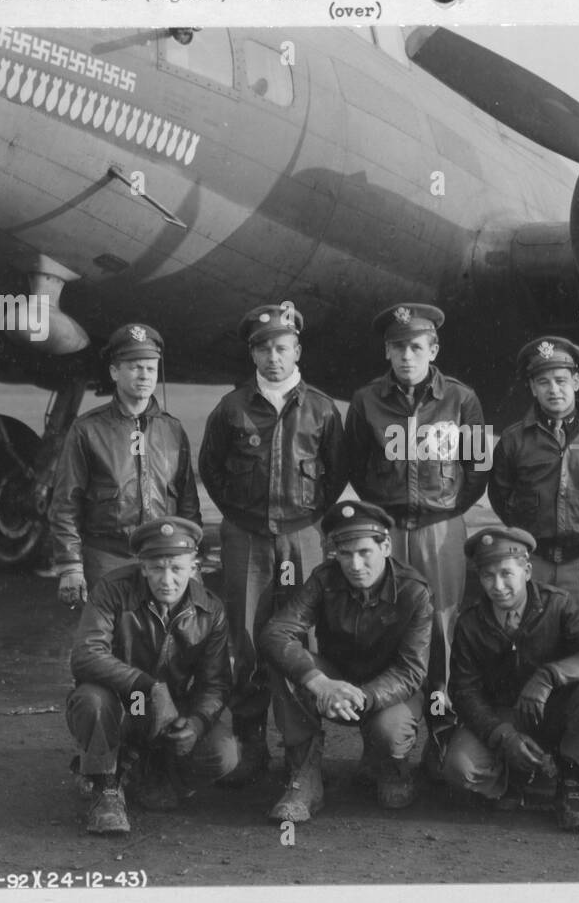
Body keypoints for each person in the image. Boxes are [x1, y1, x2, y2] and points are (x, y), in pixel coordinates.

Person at [198, 303, 347, 785]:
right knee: (243, 637)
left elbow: (336, 472)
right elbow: (212, 469)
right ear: (253, 355)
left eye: (281, 348)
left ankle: (304, 752)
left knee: (299, 638)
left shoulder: (321, 408)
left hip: (302, 535)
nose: (273, 358)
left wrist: (306, 518)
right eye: (263, 349)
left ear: (297, 350)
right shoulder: (232, 407)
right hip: (245, 536)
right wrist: (243, 516)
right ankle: (251, 742)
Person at [344, 303, 489, 773]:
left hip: (439, 530)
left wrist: (446, 510)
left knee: (443, 633)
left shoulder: (462, 399)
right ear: (387, 351)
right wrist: (386, 512)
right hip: (386, 531)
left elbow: (478, 467)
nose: (408, 355)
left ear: (434, 348)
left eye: (416, 346)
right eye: (398, 347)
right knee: (384, 628)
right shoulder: (366, 401)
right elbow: (357, 467)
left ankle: (442, 735)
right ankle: (383, 740)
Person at [258, 501, 432, 822]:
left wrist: (363, 697)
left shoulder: (413, 591)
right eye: (345, 553)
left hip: (387, 692)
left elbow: (411, 671)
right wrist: (321, 683)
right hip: (336, 684)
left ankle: (391, 766)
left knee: (391, 733)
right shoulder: (325, 579)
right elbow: (277, 632)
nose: (354, 564)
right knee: (283, 662)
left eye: (365, 552)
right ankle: (305, 776)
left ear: (386, 546)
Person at [66, 517, 239, 835]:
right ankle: (106, 788)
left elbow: (216, 683)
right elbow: (86, 654)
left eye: (177, 568)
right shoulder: (112, 590)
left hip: (172, 712)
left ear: (194, 567)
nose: (167, 579)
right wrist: (147, 684)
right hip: (122, 703)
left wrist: (197, 723)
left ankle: (154, 771)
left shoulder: (210, 610)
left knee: (222, 754)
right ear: (143, 567)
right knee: (92, 699)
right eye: (157, 568)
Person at [444, 526, 579, 830]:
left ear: (526, 570)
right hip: (504, 718)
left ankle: (572, 782)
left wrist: (549, 676)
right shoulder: (470, 623)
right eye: (487, 576)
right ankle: (517, 774)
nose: (498, 586)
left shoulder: (557, 604)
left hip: (554, 711)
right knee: (461, 769)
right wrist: (503, 736)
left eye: (506, 573)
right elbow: (463, 690)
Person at [49, 323, 201, 606]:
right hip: (108, 559)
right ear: (114, 372)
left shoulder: (172, 430)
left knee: (170, 643)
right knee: (108, 643)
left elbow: (188, 503)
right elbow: (65, 502)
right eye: (134, 366)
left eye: (151, 368)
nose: (144, 375)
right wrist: (70, 564)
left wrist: (191, 558)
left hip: (162, 556)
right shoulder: (87, 430)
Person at [488, 335, 579, 632]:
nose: (554, 389)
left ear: (575, 382)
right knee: (534, 641)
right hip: (535, 557)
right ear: (532, 388)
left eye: (561, 380)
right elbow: (500, 496)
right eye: (543, 382)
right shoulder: (514, 440)